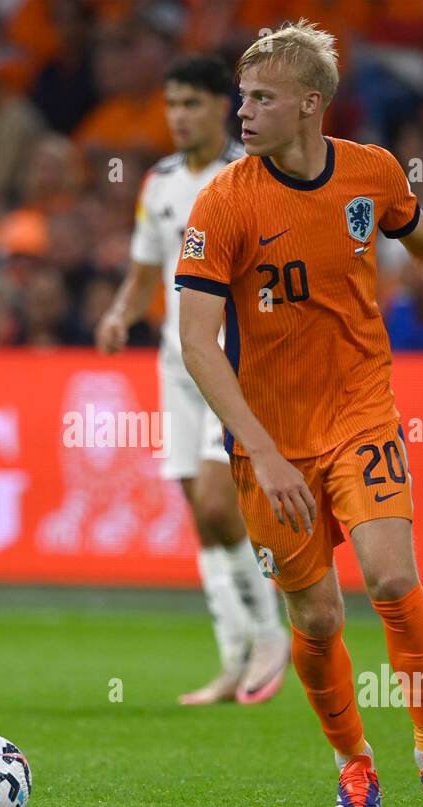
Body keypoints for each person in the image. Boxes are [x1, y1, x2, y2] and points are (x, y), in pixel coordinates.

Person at [177, 21, 423, 807]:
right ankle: (353, 761)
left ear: (310, 105)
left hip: (362, 414)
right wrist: (261, 452)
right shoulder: (223, 202)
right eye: (241, 96)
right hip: (271, 439)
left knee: (395, 581)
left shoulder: (372, 175)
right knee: (320, 616)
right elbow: (197, 343)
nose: (243, 112)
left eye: (261, 98)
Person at [96, 55, 290, 707]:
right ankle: (233, 658)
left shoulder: (252, 174)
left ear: (220, 105)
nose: (178, 116)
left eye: (191, 104)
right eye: (170, 104)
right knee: (198, 516)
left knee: (217, 502)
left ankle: (271, 634)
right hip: (175, 362)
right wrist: (123, 312)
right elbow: (144, 270)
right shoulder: (158, 182)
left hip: (232, 359)